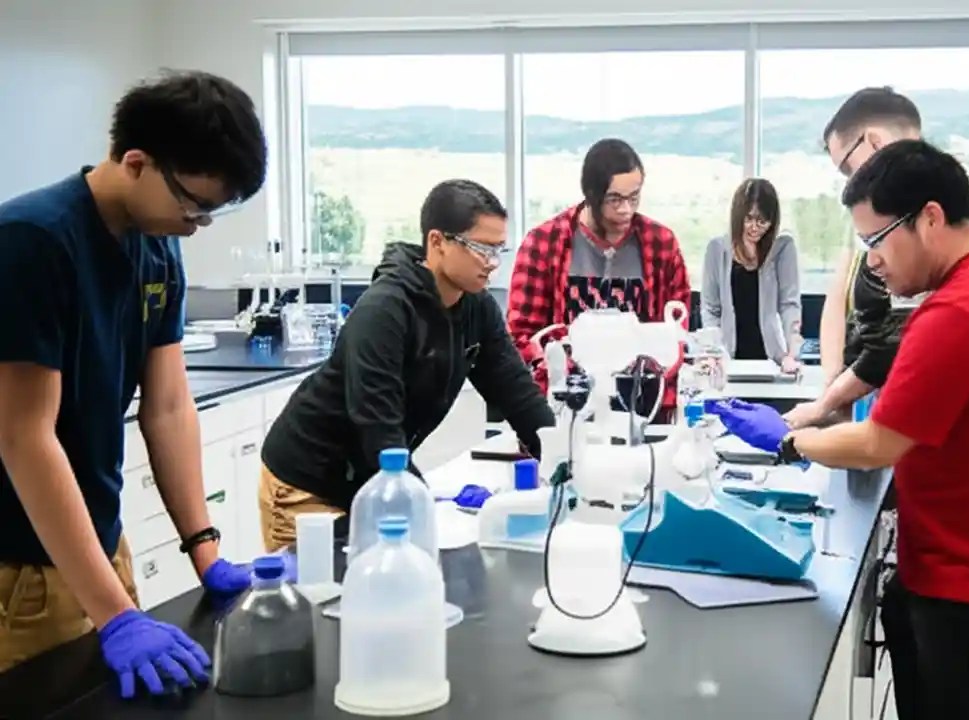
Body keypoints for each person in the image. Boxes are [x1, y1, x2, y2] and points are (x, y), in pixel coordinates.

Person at [707, 140, 969, 720]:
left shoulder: (959, 309)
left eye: (876, 241)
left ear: (929, 218)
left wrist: (787, 440)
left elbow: (878, 444)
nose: (871, 261)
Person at [0, 71, 268, 695]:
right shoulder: (31, 243)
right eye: (193, 205)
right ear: (136, 162)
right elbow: (23, 437)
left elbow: (169, 407)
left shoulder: (157, 243)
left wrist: (204, 548)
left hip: (98, 547)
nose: (198, 224)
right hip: (19, 572)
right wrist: (117, 614)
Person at [259, 179, 556, 551]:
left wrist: (563, 460)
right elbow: (378, 432)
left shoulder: (476, 307)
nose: (493, 263)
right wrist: (419, 505)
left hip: (371, 477)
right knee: (319, 601)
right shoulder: (384, 312)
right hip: (308, 485)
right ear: (437, 242)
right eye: (482, 248)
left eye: (499, 249)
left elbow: (517, 394)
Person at [795, 86, 969, 429]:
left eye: (849, 168)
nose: (853, 181)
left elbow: (894, 344)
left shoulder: (929, 221)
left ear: (875, 142)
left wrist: (822, 411)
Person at [506, 138, 691, 418]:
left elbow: (676, 332)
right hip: (566, 407)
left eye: (634, 197)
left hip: (644, 407)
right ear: (591, 194)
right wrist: (560, 367)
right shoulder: (544, 243)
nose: (626, 210)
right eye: (614, 199)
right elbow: (520, 335)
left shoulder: (660, 244)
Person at [699, 178, 803, 372]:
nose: (754, 227)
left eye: (762, 221)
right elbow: (711, 309)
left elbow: (789, 304)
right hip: (728, 358)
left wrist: (791, 353)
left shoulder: (782, 248)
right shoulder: (717, 249)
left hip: (772, 358)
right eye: (748, 219)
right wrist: (713, 352)